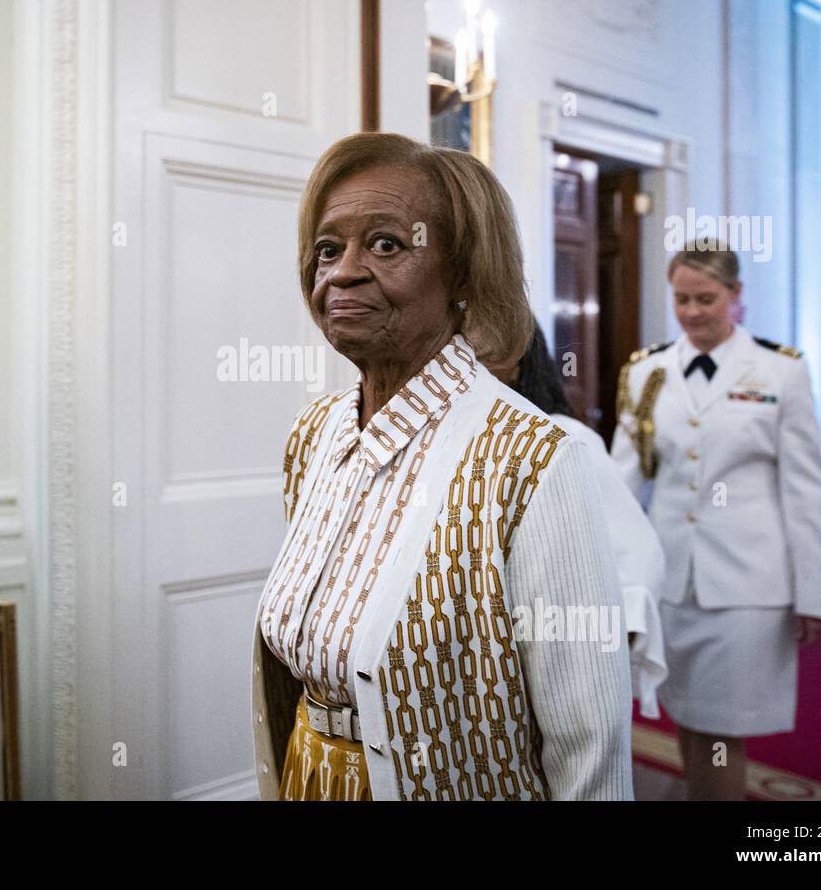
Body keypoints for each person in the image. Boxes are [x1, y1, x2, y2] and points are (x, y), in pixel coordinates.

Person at [251, 132, 632, 801]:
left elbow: (588, 742)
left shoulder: (534, 460)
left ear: (463, 272)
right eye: (328, 249)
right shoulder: (314, 436)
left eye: (387, 244)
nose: (342, 272)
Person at [610, 241, 821, 800]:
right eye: (681, 299)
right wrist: (606, 570)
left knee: (719, 730)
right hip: (671, 580)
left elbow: (804, 488)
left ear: (736, 296)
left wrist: (815, 592)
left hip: (746, 586)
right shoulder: (648, 373)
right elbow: (622, 481)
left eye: (705, 299)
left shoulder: (780, 371)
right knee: (687, 714)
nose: (691, 312)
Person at [494, 322, 667, 721]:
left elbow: (638, 555)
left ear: (518, 365)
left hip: (553, 662)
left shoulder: (565, 437)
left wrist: (599, 662)